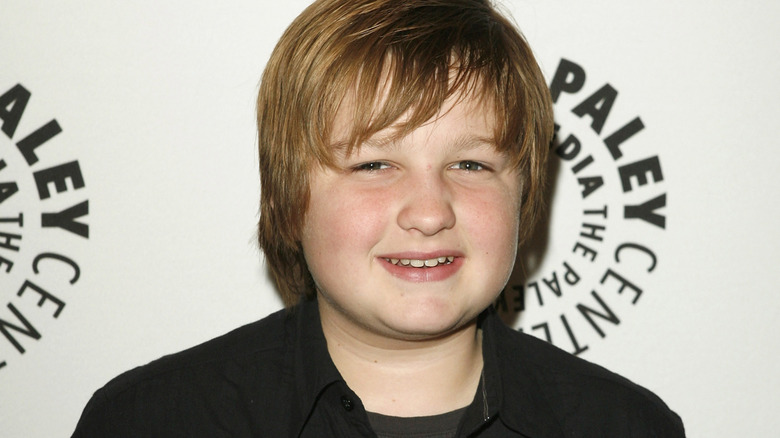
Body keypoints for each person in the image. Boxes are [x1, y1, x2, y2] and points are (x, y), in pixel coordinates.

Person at [73, 0, 685, 436]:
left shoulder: (627, 426)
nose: (428, 212)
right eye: (373, 165)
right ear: (289, 201)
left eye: (470, 164)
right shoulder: (149, 421)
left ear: (525, 200)